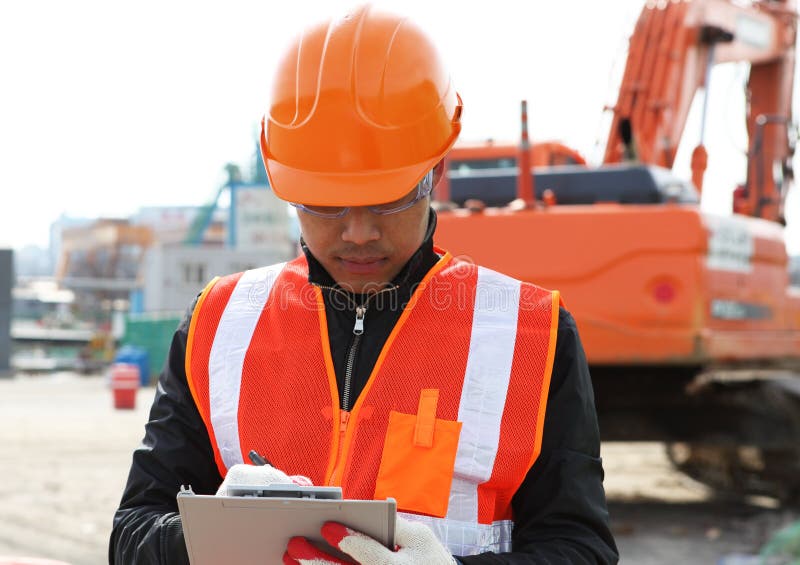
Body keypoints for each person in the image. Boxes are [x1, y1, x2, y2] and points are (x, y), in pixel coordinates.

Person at [110, 5, 619, 564]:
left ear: (436, 170)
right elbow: (132, 533)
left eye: (388, 199)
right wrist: (217, 536)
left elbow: (581, 548)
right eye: (325, 204)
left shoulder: (529, 334)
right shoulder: (219, 325)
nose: (357, 233)